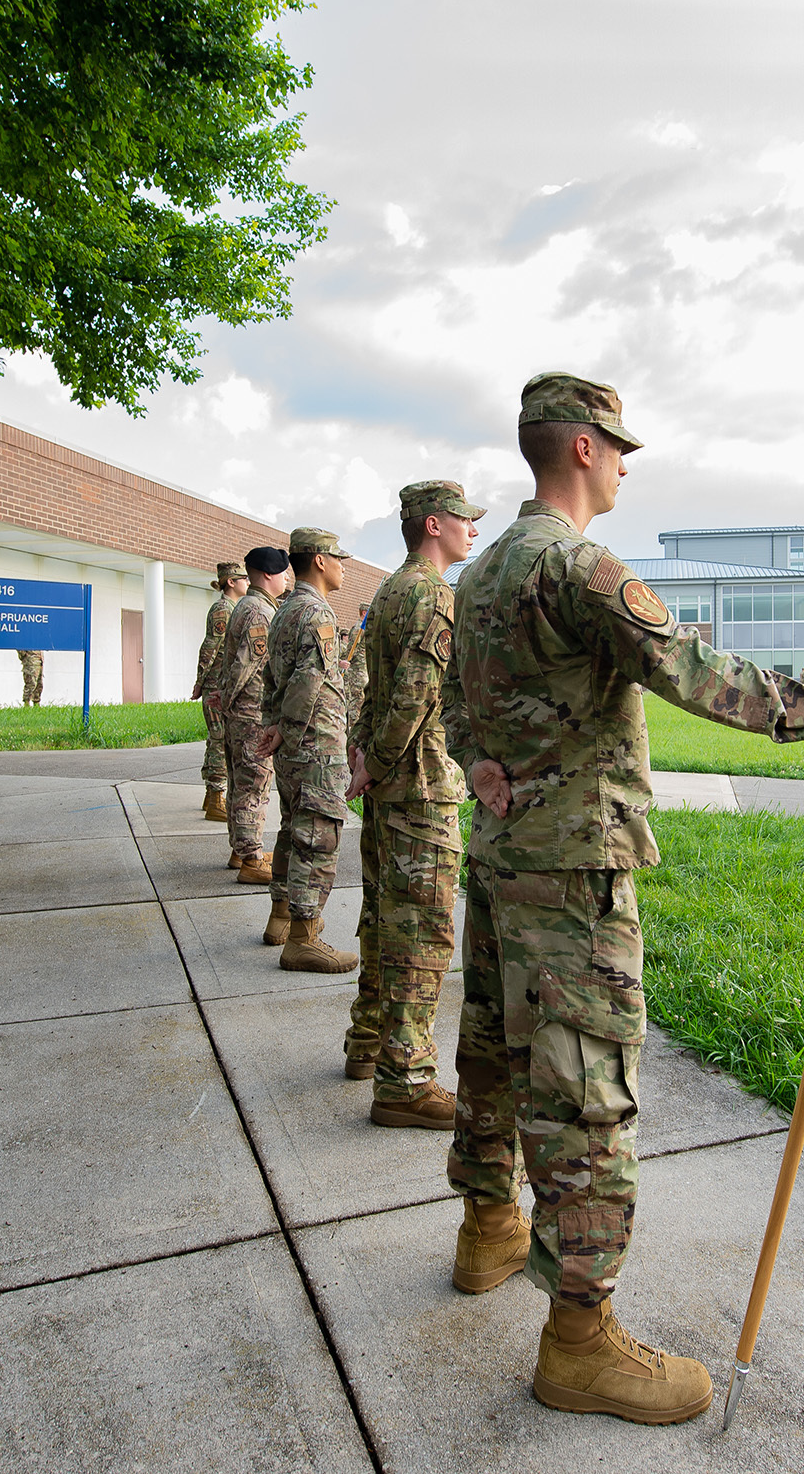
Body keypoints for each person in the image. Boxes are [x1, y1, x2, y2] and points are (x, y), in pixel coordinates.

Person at [445, 372, 804, 1424]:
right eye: (617, 447)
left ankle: (488, 1229)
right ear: (580, 447)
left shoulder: (480, 575)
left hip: (501, 857)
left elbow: (456, 711)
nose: (623, 464)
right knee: (587, 1096)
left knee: (491, 1052)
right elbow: (699, 672)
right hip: (574, 871)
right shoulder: (578, 568)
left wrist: (488, 770)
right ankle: (580, 1342)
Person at [345, 482, 483, 1132]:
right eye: (465, 520)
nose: (473, 531)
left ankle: (368, 1041)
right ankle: (405, 1081)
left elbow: (372, 690)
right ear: (435, 524)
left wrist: (362, 760)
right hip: (421, 788)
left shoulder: (390, 589)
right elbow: (414, 693)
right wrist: (374, 761)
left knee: (382, 920)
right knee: (421, 935)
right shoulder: (433, 593)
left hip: (388, 788)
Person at [255, 529, 359, 974]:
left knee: (292, 830)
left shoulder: (284, 610)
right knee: (317, 837)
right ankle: (304, 938)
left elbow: (271, 679)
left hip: (295, 746)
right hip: (314, 745)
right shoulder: (316, 612)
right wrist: (289, 729)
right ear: (318, 560)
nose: (342, 566)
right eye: (338, 558)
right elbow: (307, 680)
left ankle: (281, 917)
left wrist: (274, 726)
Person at [208, 546, 291, 881]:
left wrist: (225, 696)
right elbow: (247, 662)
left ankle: (241, 848)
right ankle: (251, 859)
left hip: (242, 711)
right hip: (252, 712)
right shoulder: (259, 611)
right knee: (253, 784)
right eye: (284, 572)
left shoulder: (246, 605)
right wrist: (227, 697)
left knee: (243, 780)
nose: (287, 578)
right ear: (268, 575)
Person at [193, 560, 248, 821]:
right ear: (230, 582)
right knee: (218, 740)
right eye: (243, 579)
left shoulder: (234, 608)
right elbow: (210, 646)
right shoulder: (222, 609)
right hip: (216, 684)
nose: (248, 583)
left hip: (223, 684)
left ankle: (211, 796)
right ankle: (216, 797)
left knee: (219, 738)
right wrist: (201, 681)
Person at [340, 602, 371, 737]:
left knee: (359, 701)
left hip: (362, 670)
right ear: (363, 613)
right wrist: (344, 661)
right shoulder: (359, 627)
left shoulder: (366, 627)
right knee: (355, 702)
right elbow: (352, 647)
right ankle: (352, 732)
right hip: (356, 671)